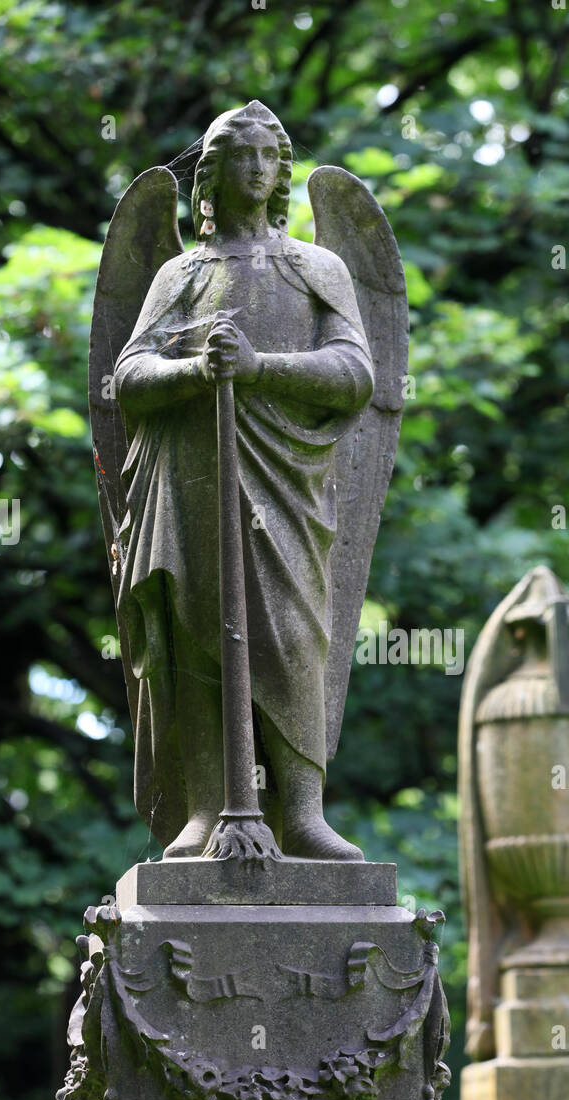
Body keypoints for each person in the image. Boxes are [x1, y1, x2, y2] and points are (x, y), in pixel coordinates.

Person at [113, 101, 373, 859]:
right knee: (197, 628)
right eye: (240, 155)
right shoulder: (183, 274)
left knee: (293, 634)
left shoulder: (315, 268)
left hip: (288, 478)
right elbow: (127, 375)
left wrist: (263, 369)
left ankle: (302, 812)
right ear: (212, 171)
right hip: (191, 479)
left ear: (282, 172)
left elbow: (356, 371)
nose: (255, 170)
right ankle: (204, 809)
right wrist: (196, 370)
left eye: (268, 156)